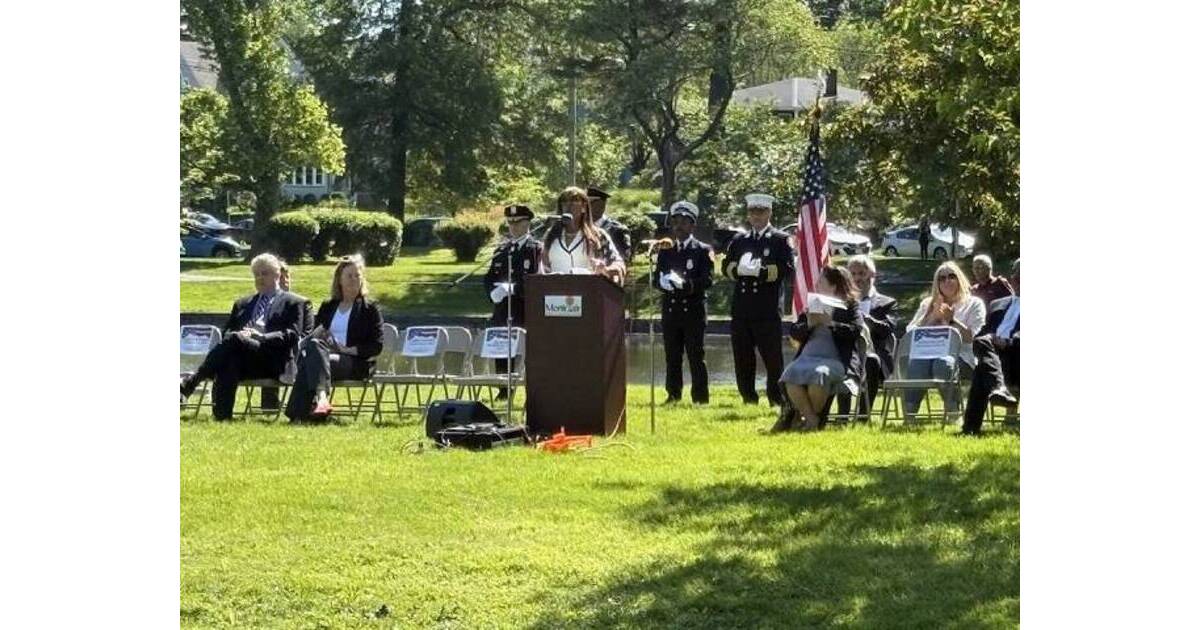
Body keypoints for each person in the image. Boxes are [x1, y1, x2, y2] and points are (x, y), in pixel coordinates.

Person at [180, 253, 309, 420]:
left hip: (274, 359)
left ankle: (191, 382)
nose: (260, 278)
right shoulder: (243, 303)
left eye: (265, 273)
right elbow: (226, 332)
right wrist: (240, 337)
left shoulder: (293, 302)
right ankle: (222, 417)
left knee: (235, 339)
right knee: (230, 360)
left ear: (277, 275)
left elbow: (292, 335)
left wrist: (260, 336)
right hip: (246, 359)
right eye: (257, 275)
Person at [285, 255, 384, 422]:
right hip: (324, 354)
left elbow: (376, 345)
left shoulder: (369, 309)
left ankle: (302, 412)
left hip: (355, 361)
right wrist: (322, 336)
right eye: (349, 276)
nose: (354, 279)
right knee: (315, 348)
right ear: (339, 280)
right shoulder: (328, 306)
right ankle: (317, 408)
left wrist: (346, 349)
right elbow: (315, 335)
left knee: (311, 360)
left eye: (357, 276)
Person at [722, 193, 795, 406]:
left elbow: (787, 268)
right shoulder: (739, 240)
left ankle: (776, 398)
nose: (756, 216)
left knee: (772, 358)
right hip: (742, 308)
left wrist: (760, 272)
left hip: (767, 308)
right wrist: (739, 270)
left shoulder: (780, 240)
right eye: (753, 212)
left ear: (769, 213)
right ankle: (748, 397)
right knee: (743, 357)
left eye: (761, 212)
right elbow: (726, 267)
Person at [775, 266, 865, 432]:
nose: (816, 284)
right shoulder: (813, 304)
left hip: (836, 360)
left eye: (820, 281)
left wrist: (830, 323)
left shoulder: (851, 307)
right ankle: (812, 419)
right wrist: (809, 323)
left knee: (819, 374)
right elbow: (794, 331)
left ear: (833, 286)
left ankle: (804, 420)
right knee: (791, 373)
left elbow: (855, 331)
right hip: (808, 357)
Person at [903, 261, 986, 420]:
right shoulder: (928, 304)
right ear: (937, 283)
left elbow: (975, 336)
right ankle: (909, 415)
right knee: (916, 363)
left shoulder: (974, 304)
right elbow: (910, 332)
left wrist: (951, 320)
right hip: (926, 354)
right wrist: (931, 318)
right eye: (941, 278)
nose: (946, 281)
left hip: (962, 357)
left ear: (959, 279)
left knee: (942, 363)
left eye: (951, 276)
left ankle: (954, 413)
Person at [652, 200, 714, 404]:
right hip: (671, 310)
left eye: (684, 222)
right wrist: (663, 283)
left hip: (693, 311)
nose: (679, 225)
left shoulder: (702, 250)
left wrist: (685, 285)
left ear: (692, 225)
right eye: (676, 221)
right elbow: (656, 278)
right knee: (672, 356)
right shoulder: (666, 250)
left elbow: (707, 280)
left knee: (696, 356)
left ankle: (700, 397)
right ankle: (673, 394)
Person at [483, 204, 543, 399]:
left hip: (524, 310)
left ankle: (533, 390)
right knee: (501, 352)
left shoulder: (536, 250)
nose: (514, 227)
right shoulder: (502, 250)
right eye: (510, 223)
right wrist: (492, 291)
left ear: (527, 223)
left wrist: (513, 289)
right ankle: (503, 390)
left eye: (518, 222)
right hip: (502, 310)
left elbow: (536, 281)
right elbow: (489, 278)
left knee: (529, 354)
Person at [834, 254, 898, 418]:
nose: (857, 278)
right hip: (847, 351)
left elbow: (887, 329)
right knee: (844, 359)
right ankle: (843, 415)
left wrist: (865, 319)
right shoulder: (841, 303)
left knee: (870, 361)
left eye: (862, 273)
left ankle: (863, 414)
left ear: (872, 275)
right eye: (853, 274)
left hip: (875, 353)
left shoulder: (887, 302)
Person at [962, 259, 1020, 436]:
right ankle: (998, 388)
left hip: (1018, 356)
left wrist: (1009, 341)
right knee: (982, 342)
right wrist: (991, 338)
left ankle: (970, 428)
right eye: (1015, 277)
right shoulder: (998, 305)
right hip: (995, 356)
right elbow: (982, 333)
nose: (1016, 281)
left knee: (983, 368)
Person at [542, 186, 625, 283]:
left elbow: (619, 263)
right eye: (564, 202)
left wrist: (606, 270)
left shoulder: (598, 236)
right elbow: (542, 266)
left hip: (588, 292)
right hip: (555, 293)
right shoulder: (550, 235)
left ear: (584, 207)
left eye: (574, 201)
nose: (568, 206)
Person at [262, 260, 314, 410]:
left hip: (295, 347)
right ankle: (270, 404)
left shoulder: (303, 303)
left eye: (287, 277)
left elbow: (307, 331)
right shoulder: (265, 303)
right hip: (271, 346)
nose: (285, 281)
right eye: (281, 277)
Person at [587, 186, 633, 263]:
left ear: (601, 205)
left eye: (590, 203)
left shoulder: (618, 230)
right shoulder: (581, 227)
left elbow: (623, 258)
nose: (585, 206)